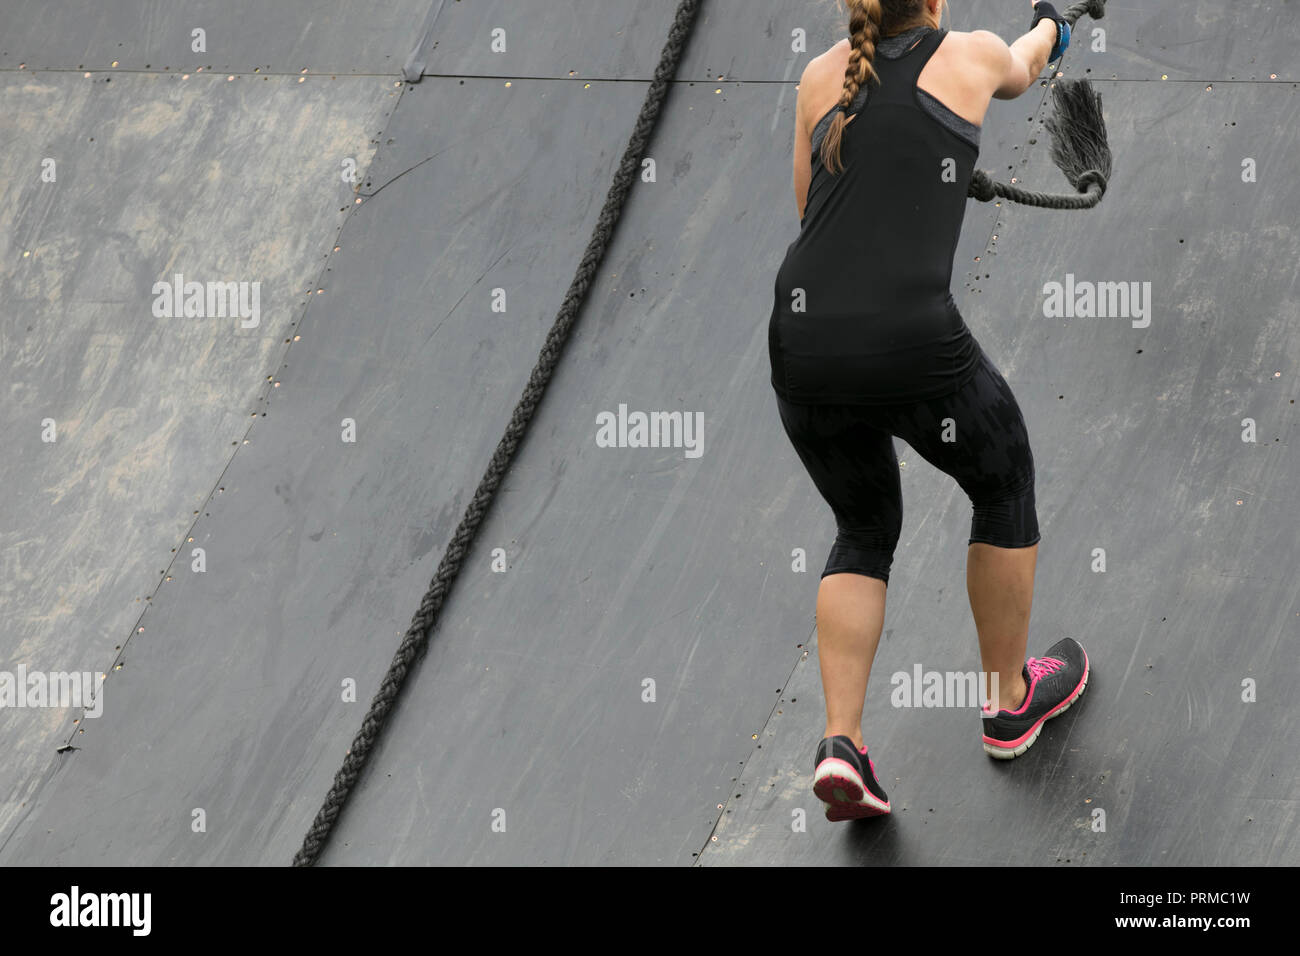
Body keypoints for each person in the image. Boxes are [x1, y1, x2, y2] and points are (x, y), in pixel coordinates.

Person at [768, 0, 1090, 822]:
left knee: (864, 527)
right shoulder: (972, 56)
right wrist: (1056, 21)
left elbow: (814, 212)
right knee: (1003, 477)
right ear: (935, 2)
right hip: (910, 344)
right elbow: (1024, 65)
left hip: (803, 342)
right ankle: (1010, 701)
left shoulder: (817, 79)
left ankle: (843, 744)